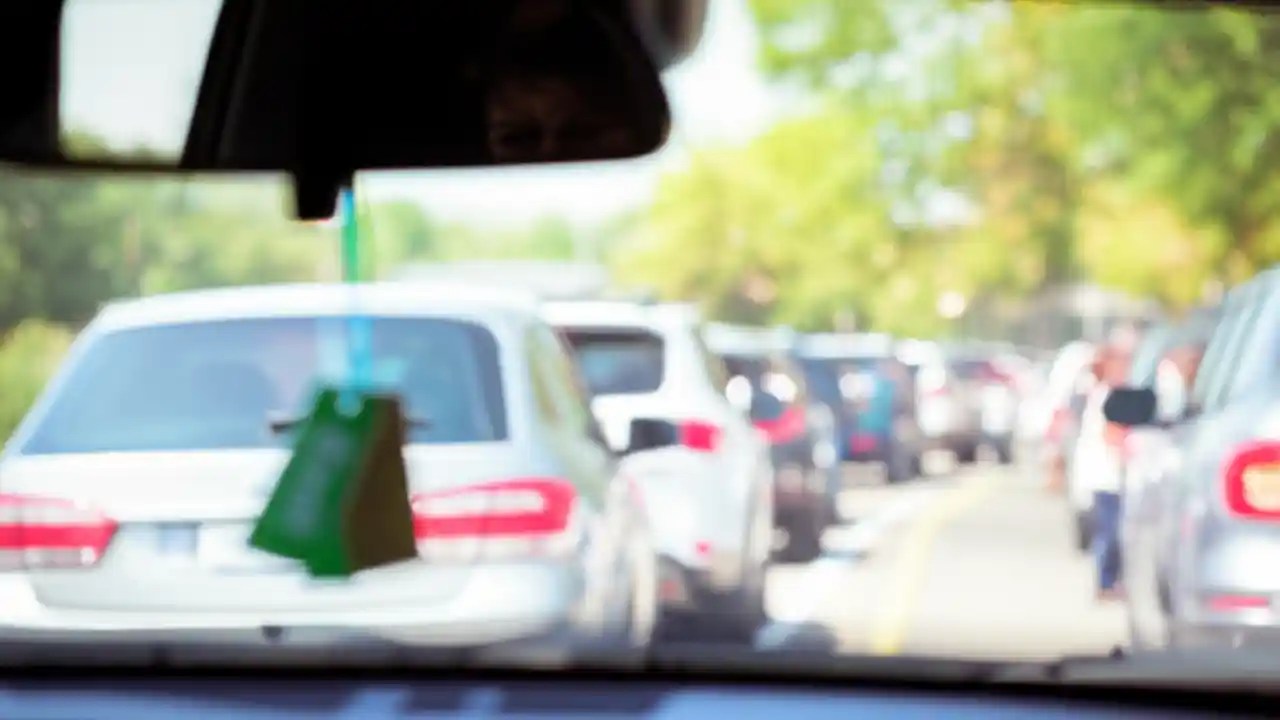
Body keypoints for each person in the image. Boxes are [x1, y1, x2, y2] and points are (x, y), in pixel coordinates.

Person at [1071, 328, 1136, 602]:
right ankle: (1105, 582)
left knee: (1116, 533)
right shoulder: (1105, 395)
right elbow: (1112, 434)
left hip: (1114, 476)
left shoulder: (1112, 393)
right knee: (1109, 533)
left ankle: (1111, 581)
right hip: (1104, 475)